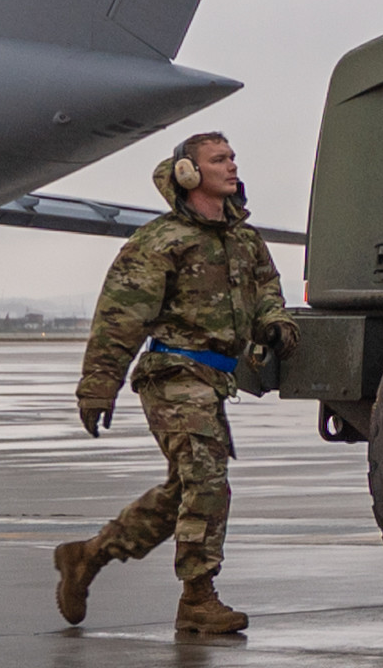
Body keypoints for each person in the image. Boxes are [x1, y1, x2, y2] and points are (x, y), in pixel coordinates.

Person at [51, 133, 297, 636]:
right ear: (188, 173)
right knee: (208, 481)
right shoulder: (160, 241)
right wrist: (98, 386)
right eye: (219, 159)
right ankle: (198, 598)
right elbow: (120, 318)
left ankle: (88, 556)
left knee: (182, 491)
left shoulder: (245, 239)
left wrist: (276, 323)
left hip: (214, 378)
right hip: (171, 374)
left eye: (232, 157)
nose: (232, 166)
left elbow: (268, 290)